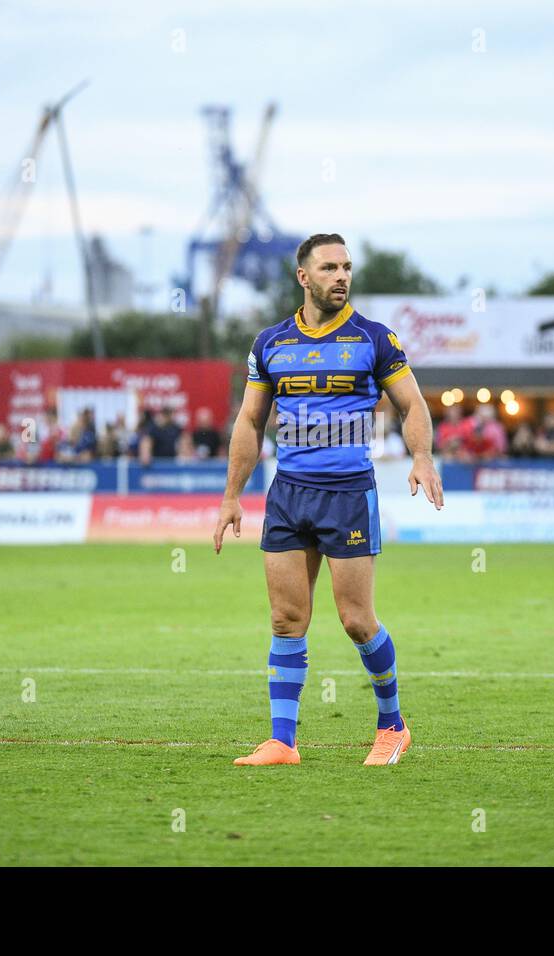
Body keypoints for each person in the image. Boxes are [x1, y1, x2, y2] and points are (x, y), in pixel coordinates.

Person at [213, 233, 443, 767]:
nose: (341, 276)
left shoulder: (374, 338)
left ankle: (393, 726)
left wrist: (422, 456)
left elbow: (413, 406)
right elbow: (248, 421)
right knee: (285, 619)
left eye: (346, 267)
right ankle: (283, 742)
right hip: (289, 495)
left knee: (357, 620)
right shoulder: (270, 343)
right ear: (304, 277)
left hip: (347, 495)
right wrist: (230, 496)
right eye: (329, 268)